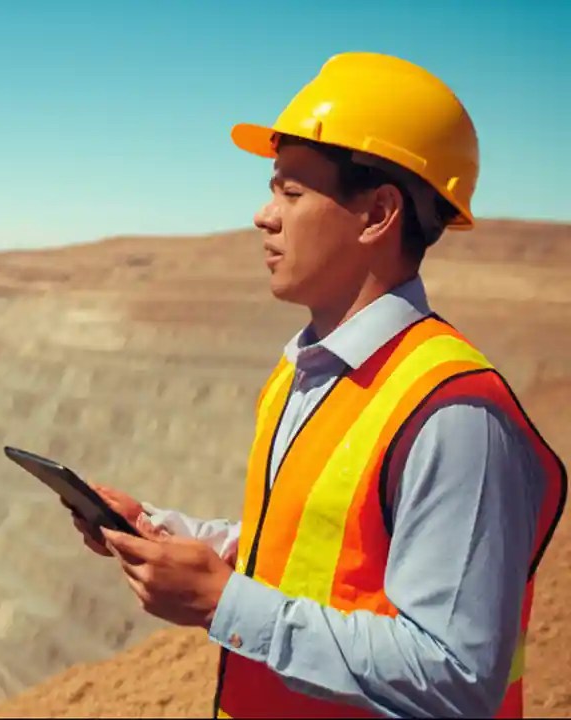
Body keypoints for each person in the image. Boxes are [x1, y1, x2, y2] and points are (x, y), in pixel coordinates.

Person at [68, 52, 567, 718]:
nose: (262, 216)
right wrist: (163, 535)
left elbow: (455, 677)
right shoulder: (305, 373)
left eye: (291, 191)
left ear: (377, 215)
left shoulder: (454, 414)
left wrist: (224, 602)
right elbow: (305, 550)